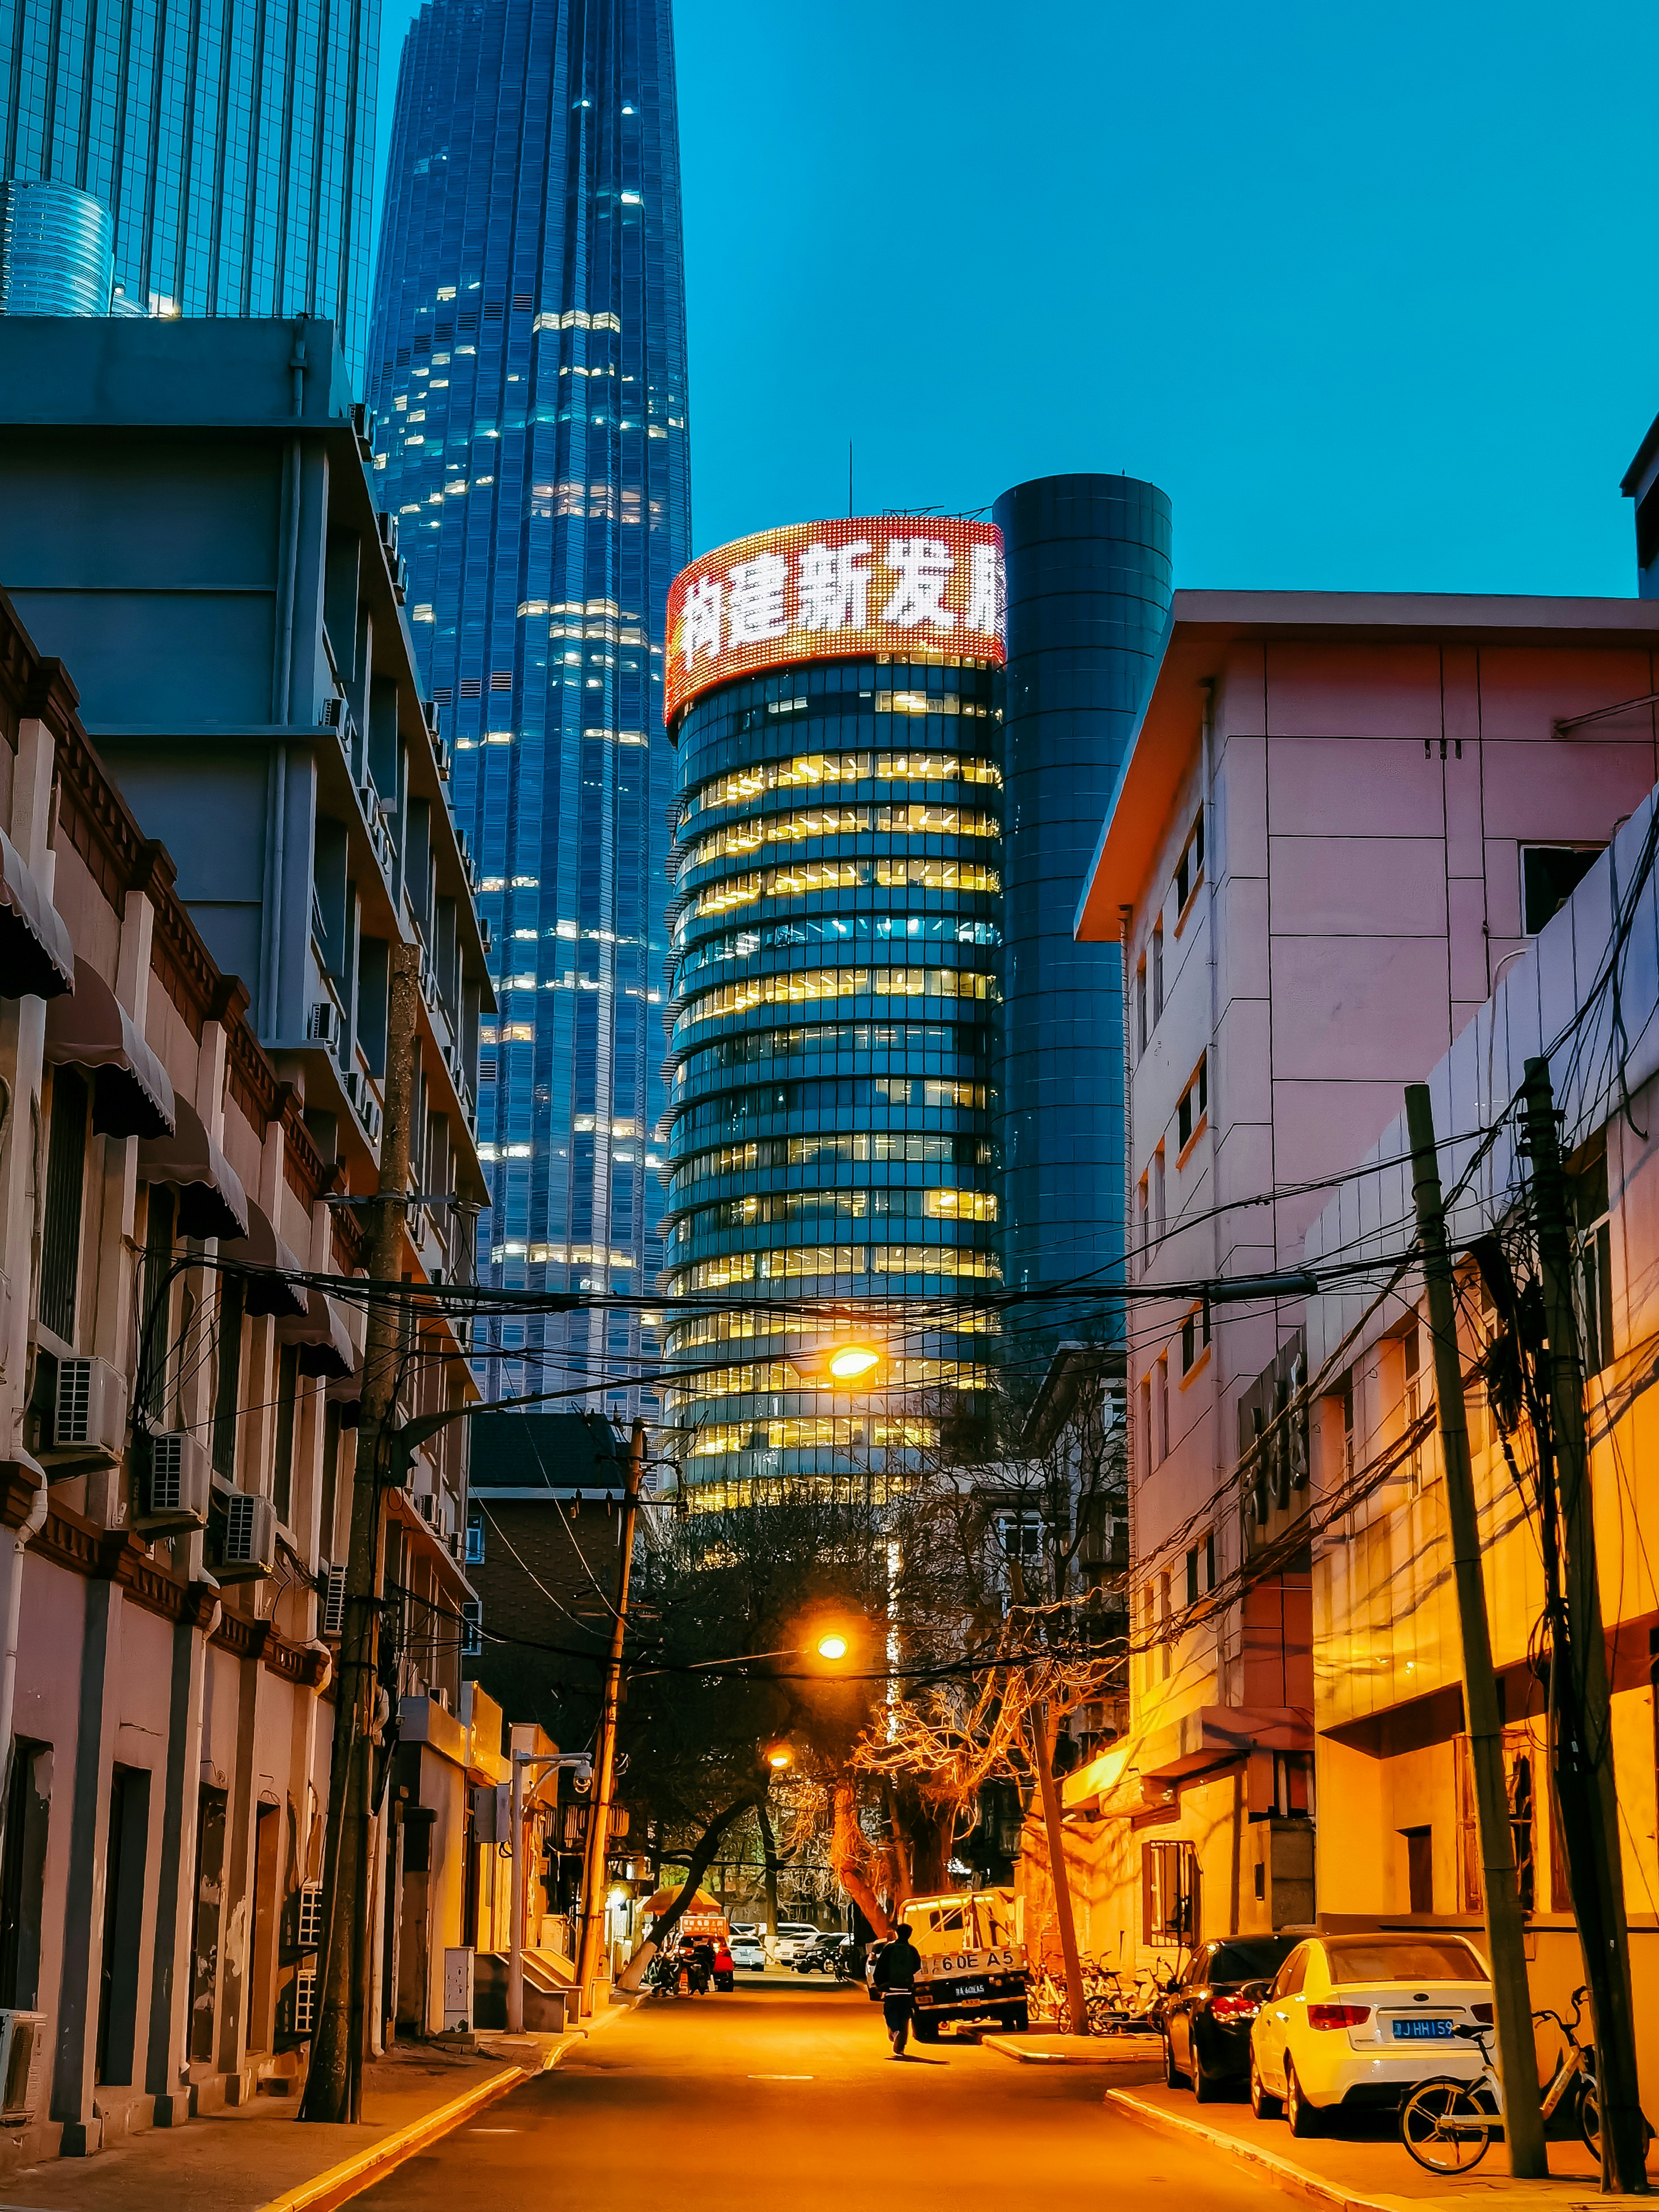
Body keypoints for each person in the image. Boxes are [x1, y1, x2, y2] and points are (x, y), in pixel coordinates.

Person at [871, 1922, 923, 2055]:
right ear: (910, 1935)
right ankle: (901, 2042)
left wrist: (879, 1984)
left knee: (891, 2013)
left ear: (897, 1933)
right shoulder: (912, 1950)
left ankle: (896, 2032)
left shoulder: (889, 1949)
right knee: (905, 2016)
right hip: (907, 1989)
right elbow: (917, 1966)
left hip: (891, 1989)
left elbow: (881, 1967)